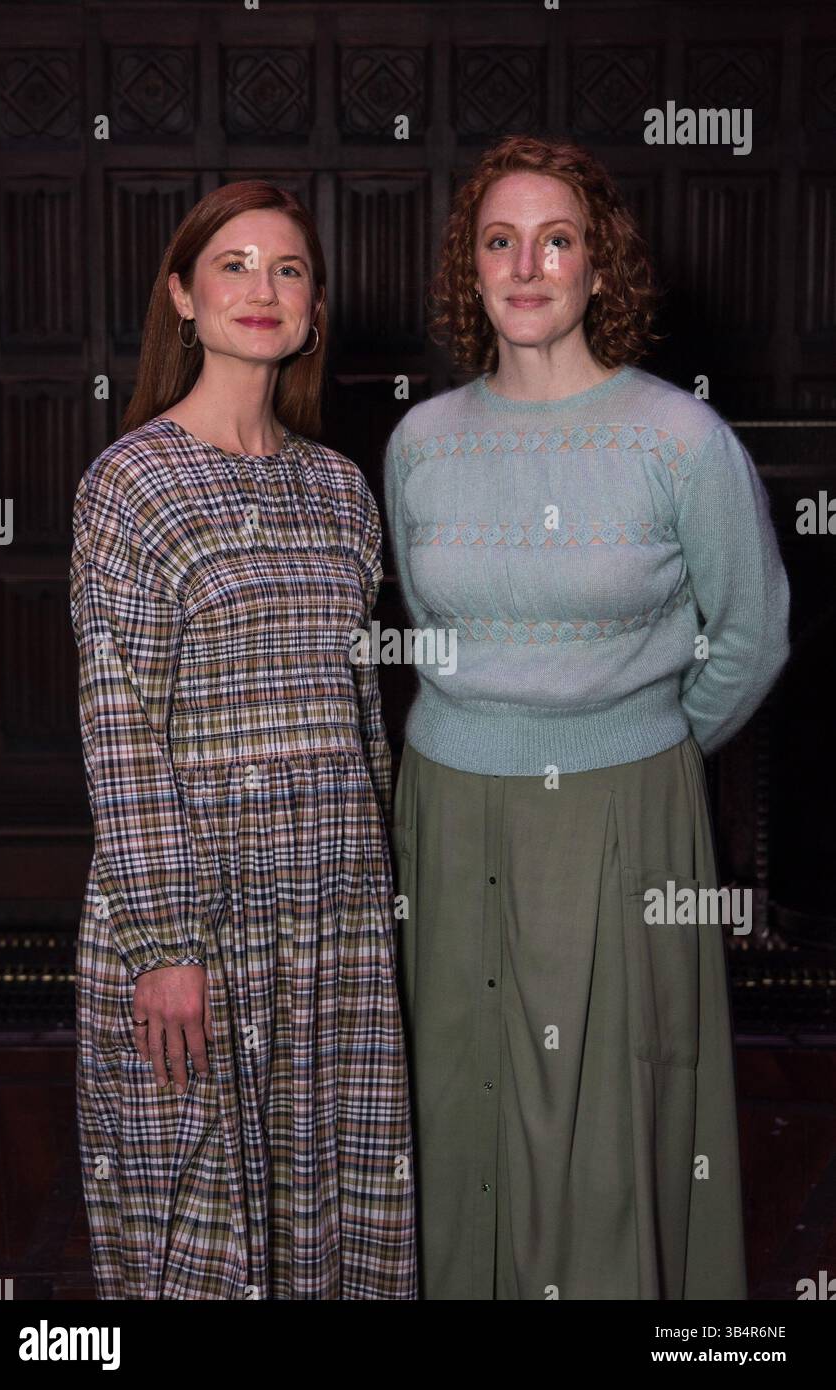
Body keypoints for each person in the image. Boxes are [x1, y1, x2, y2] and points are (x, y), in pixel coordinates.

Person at [383, 134, 790, 1300]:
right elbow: (434, 630)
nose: (526, 266)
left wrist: (642, 752)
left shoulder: (682, 440)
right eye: (499, 241)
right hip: (449, 813)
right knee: (461, 1096)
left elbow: (752, 634)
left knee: (614, 1117)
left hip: (625, 815)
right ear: (470, 269)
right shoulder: (419, 443)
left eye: (555, 240)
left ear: (598, 266)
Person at [70, 180, 417, 1300]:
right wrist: (164, 944)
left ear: (312, 311)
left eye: (288, 269)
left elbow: (360, 715)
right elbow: (120, 726)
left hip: (335, 905)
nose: (262, 289)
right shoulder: (130, 483)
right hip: (198, 900)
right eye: (234, 264)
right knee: (200, 1225)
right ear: (182, 295)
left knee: (331, 1201)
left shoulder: (341, 490)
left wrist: (383, 891)